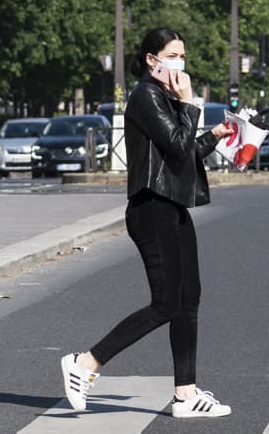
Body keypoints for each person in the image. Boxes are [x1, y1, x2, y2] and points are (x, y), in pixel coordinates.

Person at [60, 28, 235, 418]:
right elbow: (175, 144)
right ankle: (86, 363)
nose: (180, 63)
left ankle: (185, 394)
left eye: (183, 56)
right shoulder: (145, 97)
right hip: (151, 209)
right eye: (173, 55)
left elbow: (181, 153)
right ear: (152, 60)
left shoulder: (164, 98)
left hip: (172, 205)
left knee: (188, 300)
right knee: (165, 304)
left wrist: (215, 136)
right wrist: (189, 103)